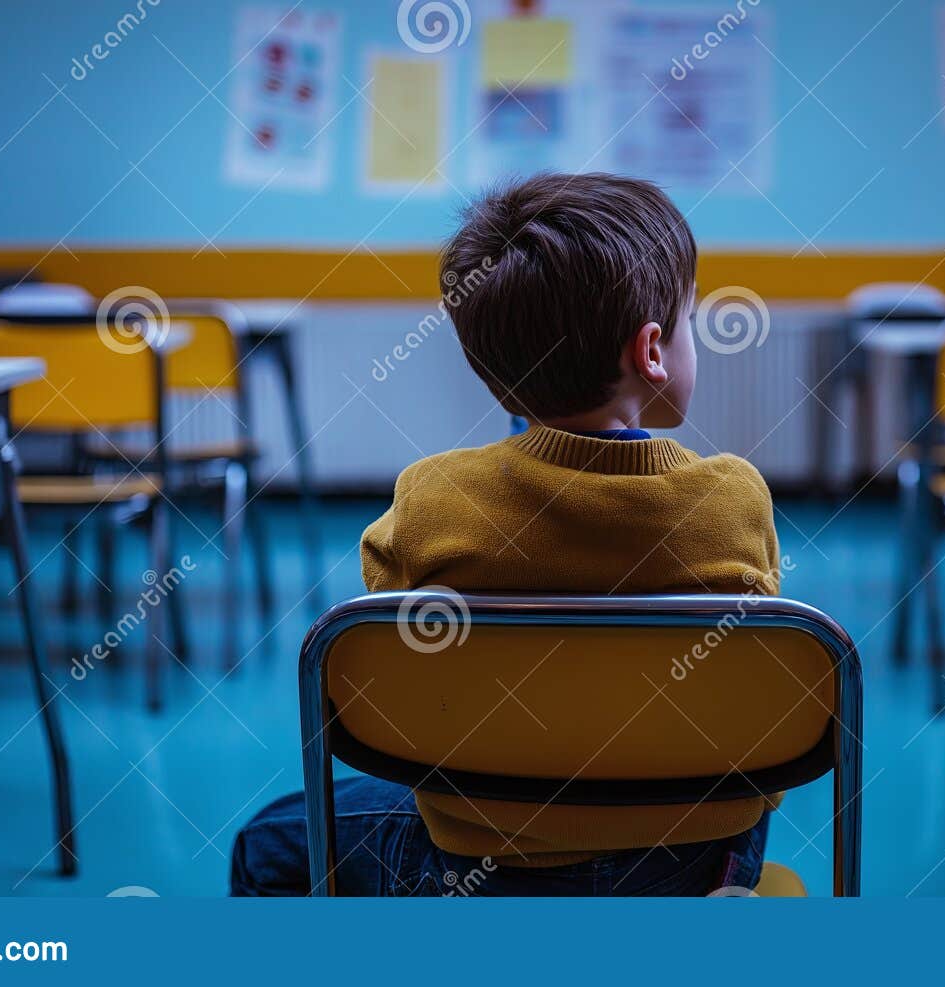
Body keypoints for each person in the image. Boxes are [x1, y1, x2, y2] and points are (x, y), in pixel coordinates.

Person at [231, 173, 781, 897]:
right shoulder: (733, 501)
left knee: (266, 841)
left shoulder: (433, 500)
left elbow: (385, 660)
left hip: (482, 867)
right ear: (652, 351)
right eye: (690, 317)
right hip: (696, 861)